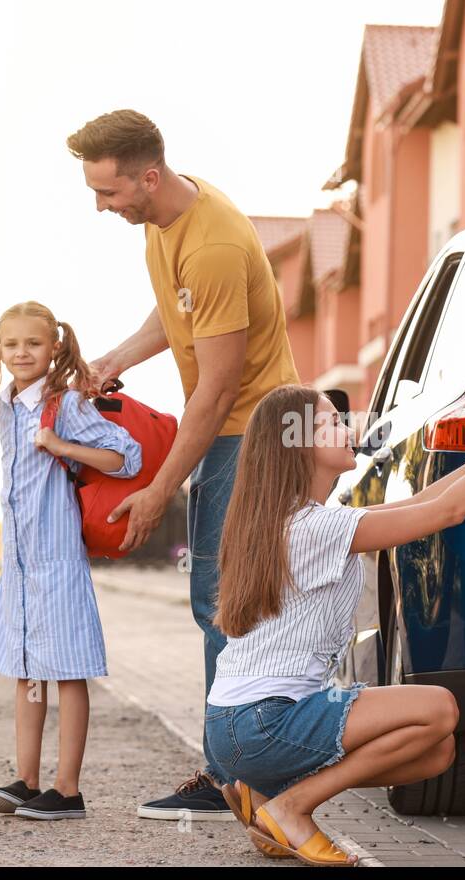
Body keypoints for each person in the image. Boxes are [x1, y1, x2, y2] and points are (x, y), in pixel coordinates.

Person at [204, 385, 465, 865]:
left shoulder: (301, 522)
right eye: (332, 423)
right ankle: (293, 807)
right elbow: (448, 512)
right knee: (439, 708)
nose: (348, 430)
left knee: (436, 754)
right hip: (263, 721)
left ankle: (266, 795)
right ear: (298, 446)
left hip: (235, 728)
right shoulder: (317, 529)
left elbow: (432, 498)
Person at [65, 109, 301, 820]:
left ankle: (236, 775)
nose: (102, 208)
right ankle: (236, 770)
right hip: (235, 429)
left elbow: (218, 390)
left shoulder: (216, 245)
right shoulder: (166, 226)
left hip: (256, 433)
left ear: (148, 175)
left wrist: (159, 492)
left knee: (228, 603)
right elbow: (176, 316)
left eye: (108, 193)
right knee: (227, 603)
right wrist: (113, 358)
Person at [0, 300, 143, 821]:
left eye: (33, 343)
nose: (22, 352)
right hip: (19, 563)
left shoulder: (63, 405)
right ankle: (27, 780)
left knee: (68, 673)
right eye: (12, 344)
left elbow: (125, 454)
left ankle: (67, 790)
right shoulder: (4, 404)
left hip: (59, 561)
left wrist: (61, 444)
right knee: (26, 671)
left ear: (54, 347)